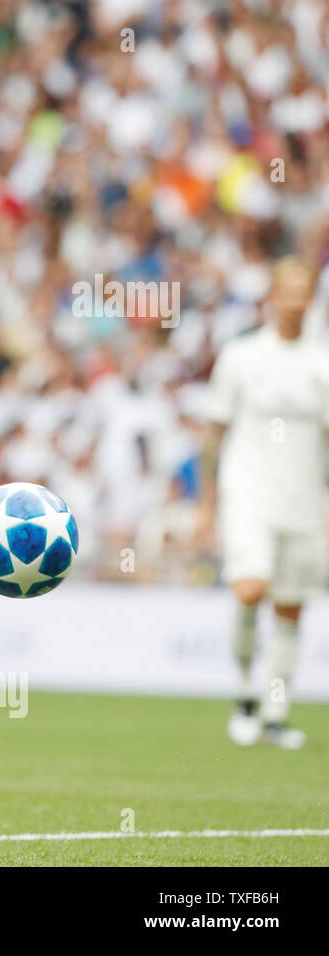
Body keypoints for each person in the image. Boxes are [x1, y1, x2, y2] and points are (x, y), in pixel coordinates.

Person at [198, 257, 328, 750]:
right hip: (248, 492)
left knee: (292, 608)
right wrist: (207, 502)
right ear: (271, 297)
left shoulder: (322, 363)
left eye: (304, 291)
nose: (296, 300)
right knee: (251, 589)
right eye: (287, 291)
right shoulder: (242, 356)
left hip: (303, 499)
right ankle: (245, 695)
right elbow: (215, 431)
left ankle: (276, 713)